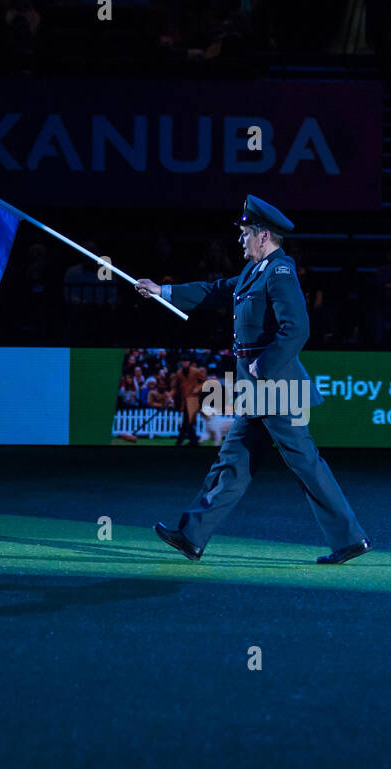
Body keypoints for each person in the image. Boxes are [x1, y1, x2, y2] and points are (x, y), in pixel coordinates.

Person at [134, 195, 371, 565]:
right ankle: (192, 537)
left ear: (263, 236)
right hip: (258, 390)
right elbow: (212, 291)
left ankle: (350, 538)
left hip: (278, 390)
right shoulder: (251, 273)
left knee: (305, 463)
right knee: (234, 462)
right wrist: (160, 291)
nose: (240, 241)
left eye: (245, 234)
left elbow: (297, 330)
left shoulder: (280, 271)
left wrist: (266, 364)